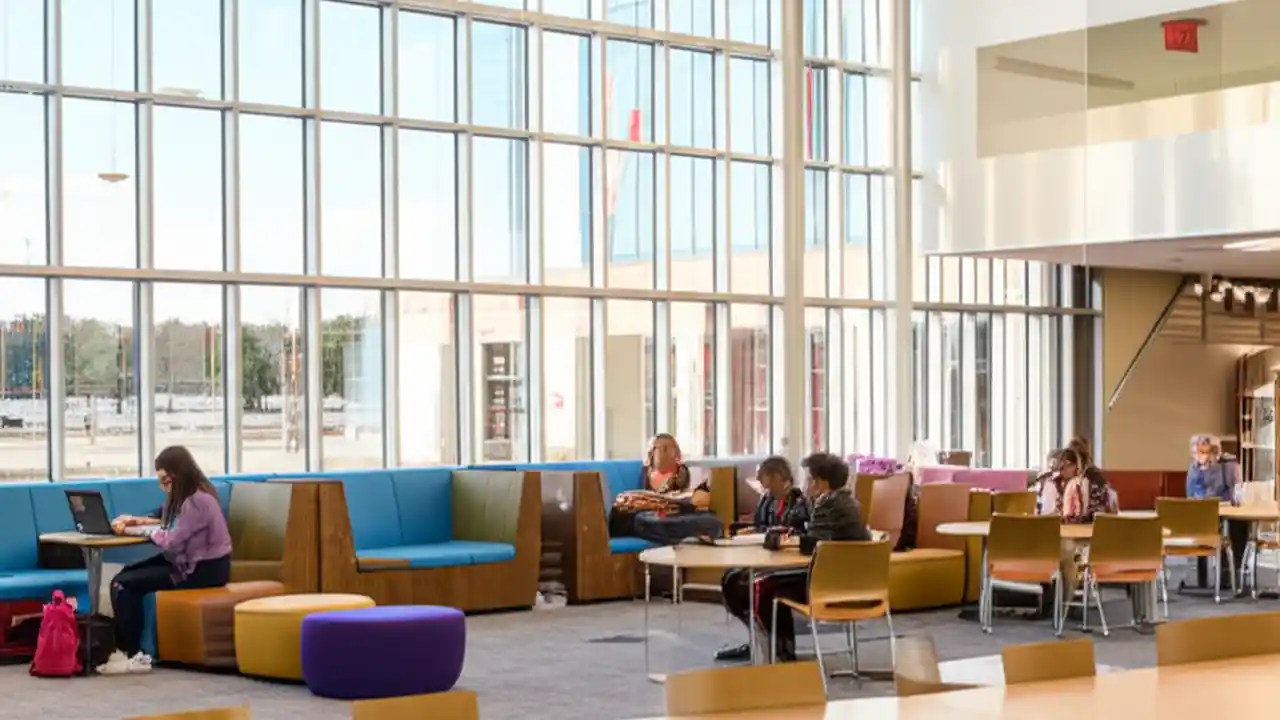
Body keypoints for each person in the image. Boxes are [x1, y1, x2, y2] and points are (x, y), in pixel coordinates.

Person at [98, 446, 232, 675]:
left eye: (165, 480)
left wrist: (141, 532)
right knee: (122, 576)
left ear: (177, 475)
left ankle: (131, 651)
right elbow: (160, 515)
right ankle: (124, 649)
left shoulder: (197, 501)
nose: (163, 486)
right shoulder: (182, 497)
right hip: (184, 561)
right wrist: (136, 521)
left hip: (202, 569)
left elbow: (172, 540)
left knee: (125, 583)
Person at [749, 452, 870, 662]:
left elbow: (815, 545)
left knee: (764, 586)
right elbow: (822, 539)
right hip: (855, 580)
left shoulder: (828, 505)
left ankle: (781, 651)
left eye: (807, 479)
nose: (803, 484)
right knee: (767, 583)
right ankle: (780, 648)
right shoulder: (846, 502)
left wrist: (785, 541)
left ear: (818, 483)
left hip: (832, 584)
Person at [715, 456, 812, 661]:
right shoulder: (766, 499)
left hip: (786, 563)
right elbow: (760, 526)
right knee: (731, 579)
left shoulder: (799, 500)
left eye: (764, 476)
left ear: (777, 476)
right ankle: (758, 638)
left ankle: (780, 646)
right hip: (763, 556)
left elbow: (797, 532)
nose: (759, 480)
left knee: (758, 586)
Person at [608, 434, 710, 539]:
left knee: (708, 519)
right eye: (658, 449)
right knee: (651, 520)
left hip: (667, 514)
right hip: (642, 517)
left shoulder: (681, 473)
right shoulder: (647, 474)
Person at [1186, 434, 1247, 590]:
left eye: (1202, 451)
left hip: (1226, 513)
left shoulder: (1229, 467)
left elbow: (1237, 494)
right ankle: (1202, 581)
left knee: (1238, 526)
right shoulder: (1194, 469)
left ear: (1215, 452)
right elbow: (1191, 494)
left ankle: (1229, 576)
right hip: (1201, 515)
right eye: (1195, 452)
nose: (1198, 456)